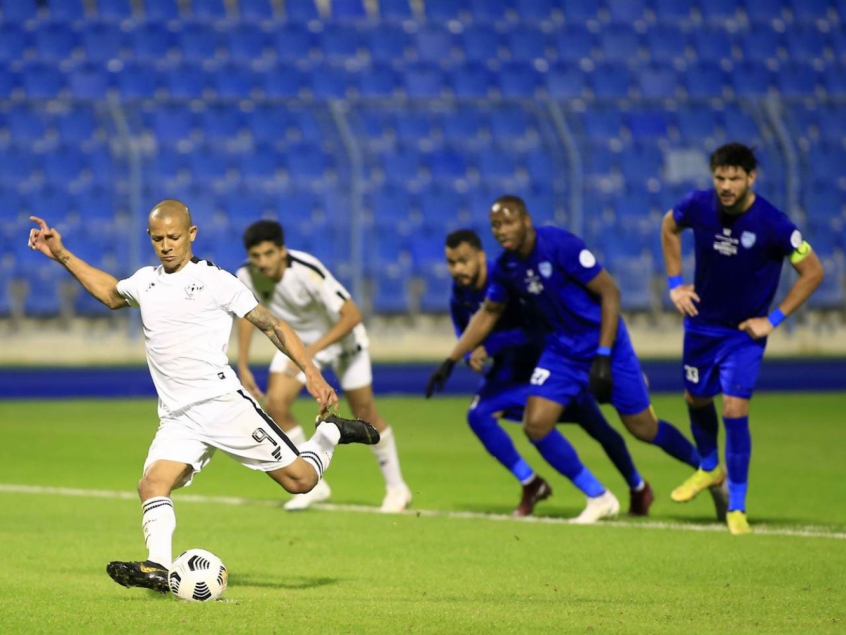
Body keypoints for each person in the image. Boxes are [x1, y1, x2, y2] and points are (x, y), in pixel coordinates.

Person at [26, 200, 380, 594]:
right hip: (178, 417)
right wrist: (60, 254)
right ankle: (158, 566)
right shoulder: (146, 281)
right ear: (150, 238)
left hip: (223, 405)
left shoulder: (216, 281)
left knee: (301, 482)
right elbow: (110, 293)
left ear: (191, 234)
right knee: (151, 485)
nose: (166, 245)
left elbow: (272, 325)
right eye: (158, 238)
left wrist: (311, 373)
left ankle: (329, 433)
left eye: (174, 237)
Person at [428, 195, 708, 524]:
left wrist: (603, 355)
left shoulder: (560, 245)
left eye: (508, 223)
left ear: (526, 221)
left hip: (605, 343)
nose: (501, 231)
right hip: (561, 351)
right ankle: (598, 496)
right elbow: (489, 313)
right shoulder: (506, 268)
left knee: (642, 428)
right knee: (536, 423)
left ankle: (707, 467)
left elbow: (610, 293)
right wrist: (451, 358)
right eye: (495, 226)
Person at [661, 143, 824, 535]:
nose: (726, 185)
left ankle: (737, 505)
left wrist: (774, 319)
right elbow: (669, 226)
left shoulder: (774, 224)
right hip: (701, 326)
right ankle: (707, 467)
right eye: (720, 177)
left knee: (735, 410)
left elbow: (813, 272)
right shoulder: (698, 206)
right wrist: (675, 285)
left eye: (734, 177)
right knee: (694, 397)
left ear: (751, 178)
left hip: (742, 335)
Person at [442, 229, 653, 518]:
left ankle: (637, 486)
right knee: (480, 414)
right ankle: (534, 484)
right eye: (452, 263)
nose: (458, 269)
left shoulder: (507, 276)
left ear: (480, 256)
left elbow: (537, 329)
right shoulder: (459, 295)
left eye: (463, 261)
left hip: (550, 364)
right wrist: (468, 355)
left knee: (597, 427)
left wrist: (493, 344)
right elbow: (464, 333)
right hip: (511, 375)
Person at [235, 220, 411, 513]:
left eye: (268, 253)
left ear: (282, 251)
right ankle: (312, 481)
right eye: (256, 256)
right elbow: (245, 314)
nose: (262, 262)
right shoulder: (246, 275)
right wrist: (242, 364)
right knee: (276, 403)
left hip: (342, 343)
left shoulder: (306, 270)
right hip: (298, 343)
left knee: (364, 413)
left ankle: (397, 488)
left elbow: (352, 315)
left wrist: (308, 355)